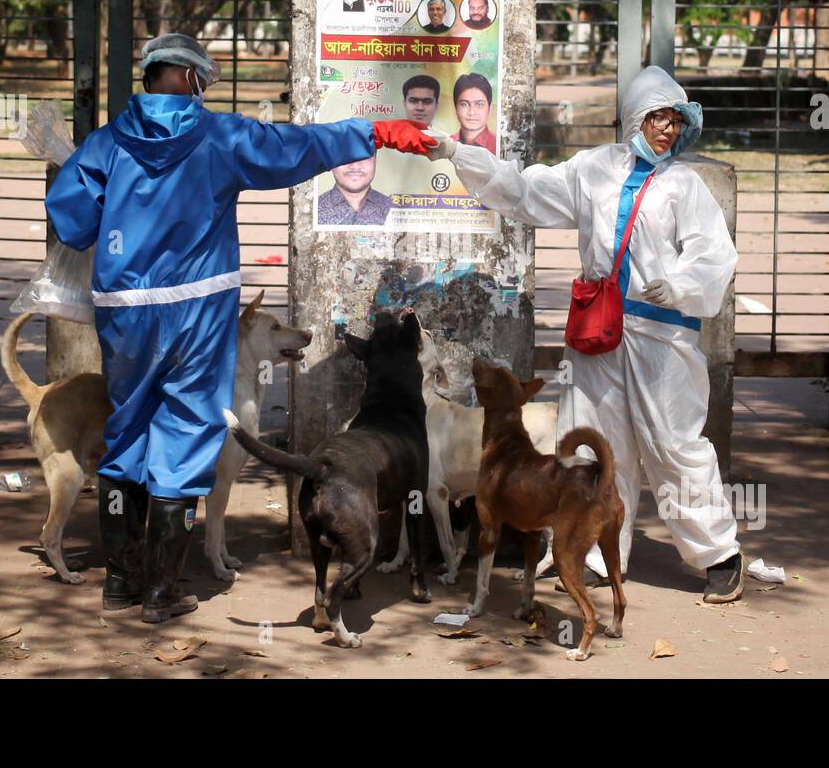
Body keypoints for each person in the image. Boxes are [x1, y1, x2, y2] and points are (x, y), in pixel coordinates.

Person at [45, 33, 433, 623]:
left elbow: (72, 223)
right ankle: (161, 592)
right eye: (206, 80)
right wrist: (373, 131)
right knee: (184, 434)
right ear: (192, 78)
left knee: (126, 431)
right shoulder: (218, 136)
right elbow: (292, 148)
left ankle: (120, 582)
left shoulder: (105, 144)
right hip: (197, 309)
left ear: (151, 76)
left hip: (124, 312)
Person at [390, 66, 744, 603]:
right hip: (599, 332)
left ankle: (720, 555)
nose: (667, 130)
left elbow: (713, 255)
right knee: (595, 439)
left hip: (660, 336)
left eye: (675, 120)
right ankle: (596, 551)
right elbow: (525, 190)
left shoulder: (685, 186)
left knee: (674, 445)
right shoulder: (594, 169)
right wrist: (459, 154)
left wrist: (678, 284)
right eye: (657, 118)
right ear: (633, 121)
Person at [316, 155, 394, 226]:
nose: (355, 166)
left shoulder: (394, 210)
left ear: (375, 161)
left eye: (364, 156)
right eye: (345, 155)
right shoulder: (312, 210)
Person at [452, 72, 496, 153]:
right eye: (464, 104)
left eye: (479, 104)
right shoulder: (447, 145)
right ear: (455, 108)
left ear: (490, 109)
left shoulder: (498, 145)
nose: (472, 112)